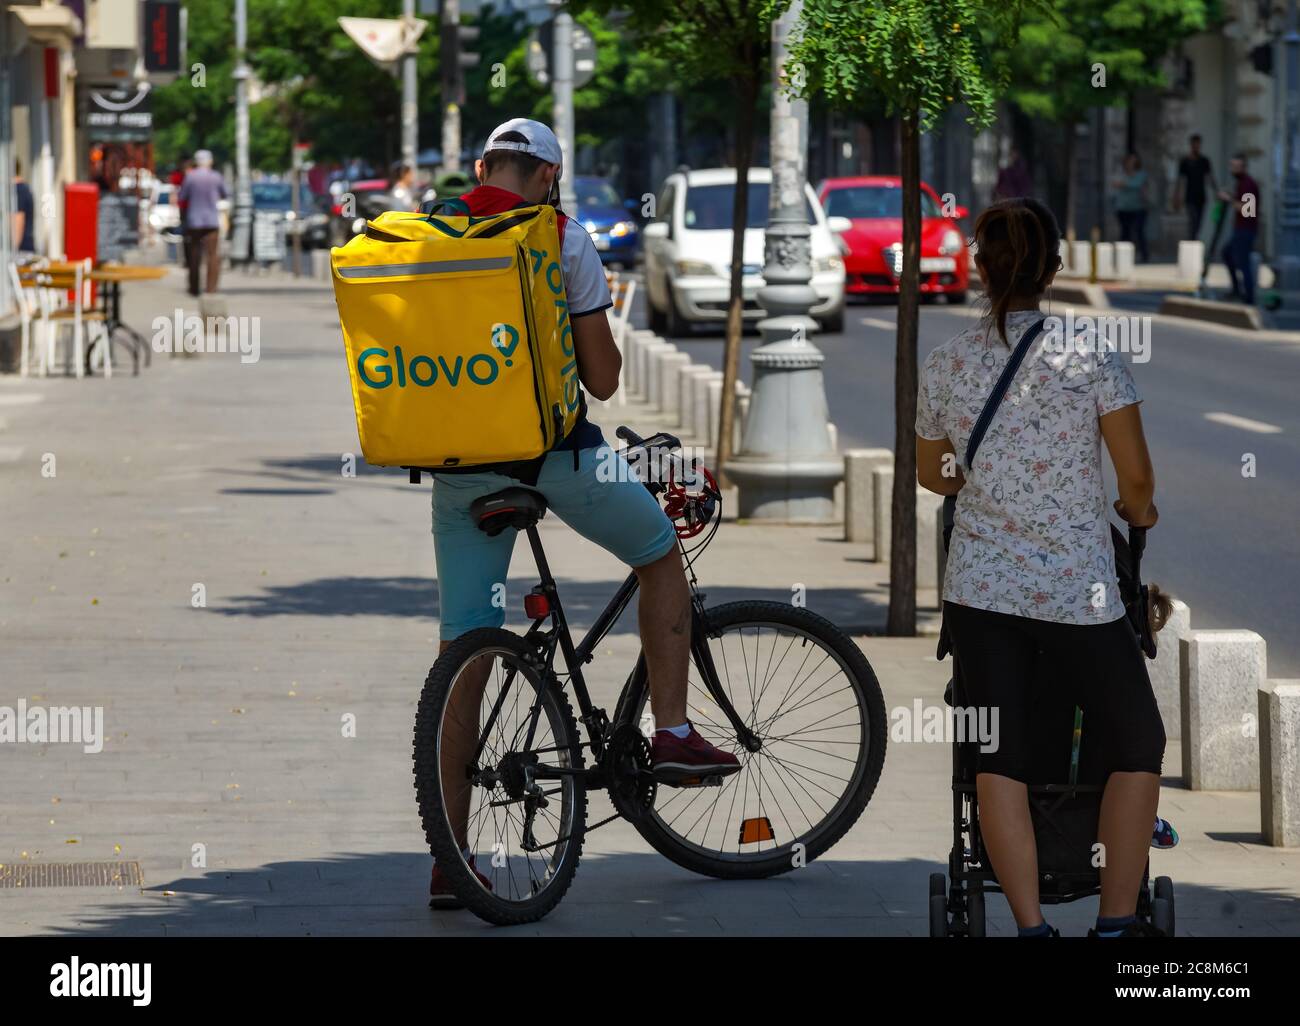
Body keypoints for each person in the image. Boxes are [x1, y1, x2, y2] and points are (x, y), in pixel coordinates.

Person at [426, 118, 740, 905]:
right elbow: (602, 379)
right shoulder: (559, 236)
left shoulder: (429, 232)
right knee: (660, 549)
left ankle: (449, 855)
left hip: (458, 468)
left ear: (480, 168)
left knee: (463, 646)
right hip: (557, 458)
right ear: (551, 177)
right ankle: (670, 732)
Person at [916, 197, 1166, 937]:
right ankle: (1117, 921)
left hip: (981, 593)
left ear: (980, 270)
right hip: (1079, 595)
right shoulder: (1090, 354)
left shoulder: (946, 362)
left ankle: (1028, 927)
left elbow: (936, 475)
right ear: (1054, 269)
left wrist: (985, 479)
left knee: (1000, 755)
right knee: (1136, 741)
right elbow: (1137, 482)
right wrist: (1139, 517)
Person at [178, 150, 227, 297]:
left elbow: (183, 196)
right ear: (210, 161)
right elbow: (224, 193)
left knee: (194, 254)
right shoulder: (216, 176)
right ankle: (211, 288)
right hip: (212, 220)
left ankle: (194, 288)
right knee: (212, 255)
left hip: (194, 220)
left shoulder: (191, 177)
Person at [1219, 153, 1260, 305]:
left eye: (1236, 167)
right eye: (1232, 166)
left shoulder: (1248, 184)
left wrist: (1228, 199)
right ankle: (1237, 289)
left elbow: (1247, 210)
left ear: (1243, 167)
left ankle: (1249, 297)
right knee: (1227, 253)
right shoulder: (1241, 184)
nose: (1233, 169)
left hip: (1246, 230)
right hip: (1240, 229)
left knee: (1243, 264)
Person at [1173, 134, 1216, 241]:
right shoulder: (1185, 161)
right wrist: (1177, 196)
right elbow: (1180, 180)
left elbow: (1210, 177)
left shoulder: (1204, 161)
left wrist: (1216, 191)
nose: (1196, 146)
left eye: (1198, 144)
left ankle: (1194, 240)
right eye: (1194, 144)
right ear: (1191, 145)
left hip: (1201, 196)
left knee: (1199, 222)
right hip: (1189, 196)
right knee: (1193, 219)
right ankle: (1192, 241)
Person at [1113, 153, 1149, 263]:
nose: (1131, 163)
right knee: (1125, 233)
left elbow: (1138, 185)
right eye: (1129, 161)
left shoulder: (1142, 174)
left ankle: (1144, 256)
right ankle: (1122, 258)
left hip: (1139, 208)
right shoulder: (1121, 173)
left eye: (1133, 161)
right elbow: (1116, 183)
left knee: (1139, 231)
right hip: (1123, 208)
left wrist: (1126, 184)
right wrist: (1130, 184)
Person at [12, 158, 35, 255]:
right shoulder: (24, 188)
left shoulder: (18, 191)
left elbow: (18, 222)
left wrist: (13, 252)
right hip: (26, 249)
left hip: (21, 253)